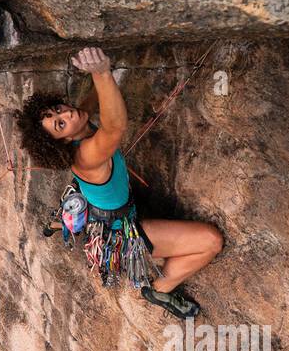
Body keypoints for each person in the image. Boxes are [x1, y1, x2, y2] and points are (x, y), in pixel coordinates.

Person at [16, 47, 222, 318]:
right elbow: (114, 128)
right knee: (211, 241)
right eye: (59, 125)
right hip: (124, 233)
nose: (65, 114)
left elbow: (87, 106)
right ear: (63, 140)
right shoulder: (87, 155)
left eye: (57, 110)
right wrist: (102, 73)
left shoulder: (77, 121)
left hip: (105, 216)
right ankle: (159, 290)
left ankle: (60, 220)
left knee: (92, 198)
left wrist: (104, 72)